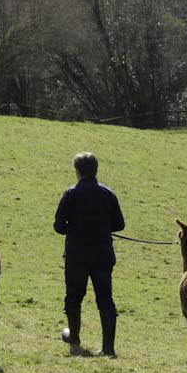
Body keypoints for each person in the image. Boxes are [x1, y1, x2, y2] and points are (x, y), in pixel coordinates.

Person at [53, 151, 125, 357]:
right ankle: (108, 348)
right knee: (105, 299)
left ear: (77, 171)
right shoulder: (108, 194)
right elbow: (120, 224)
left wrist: (73, 227)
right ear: (96, 170)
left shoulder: (71, 193)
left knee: (74, 297)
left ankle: (74, 337)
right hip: (102, 255)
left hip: (77, 255)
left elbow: (58, 226)